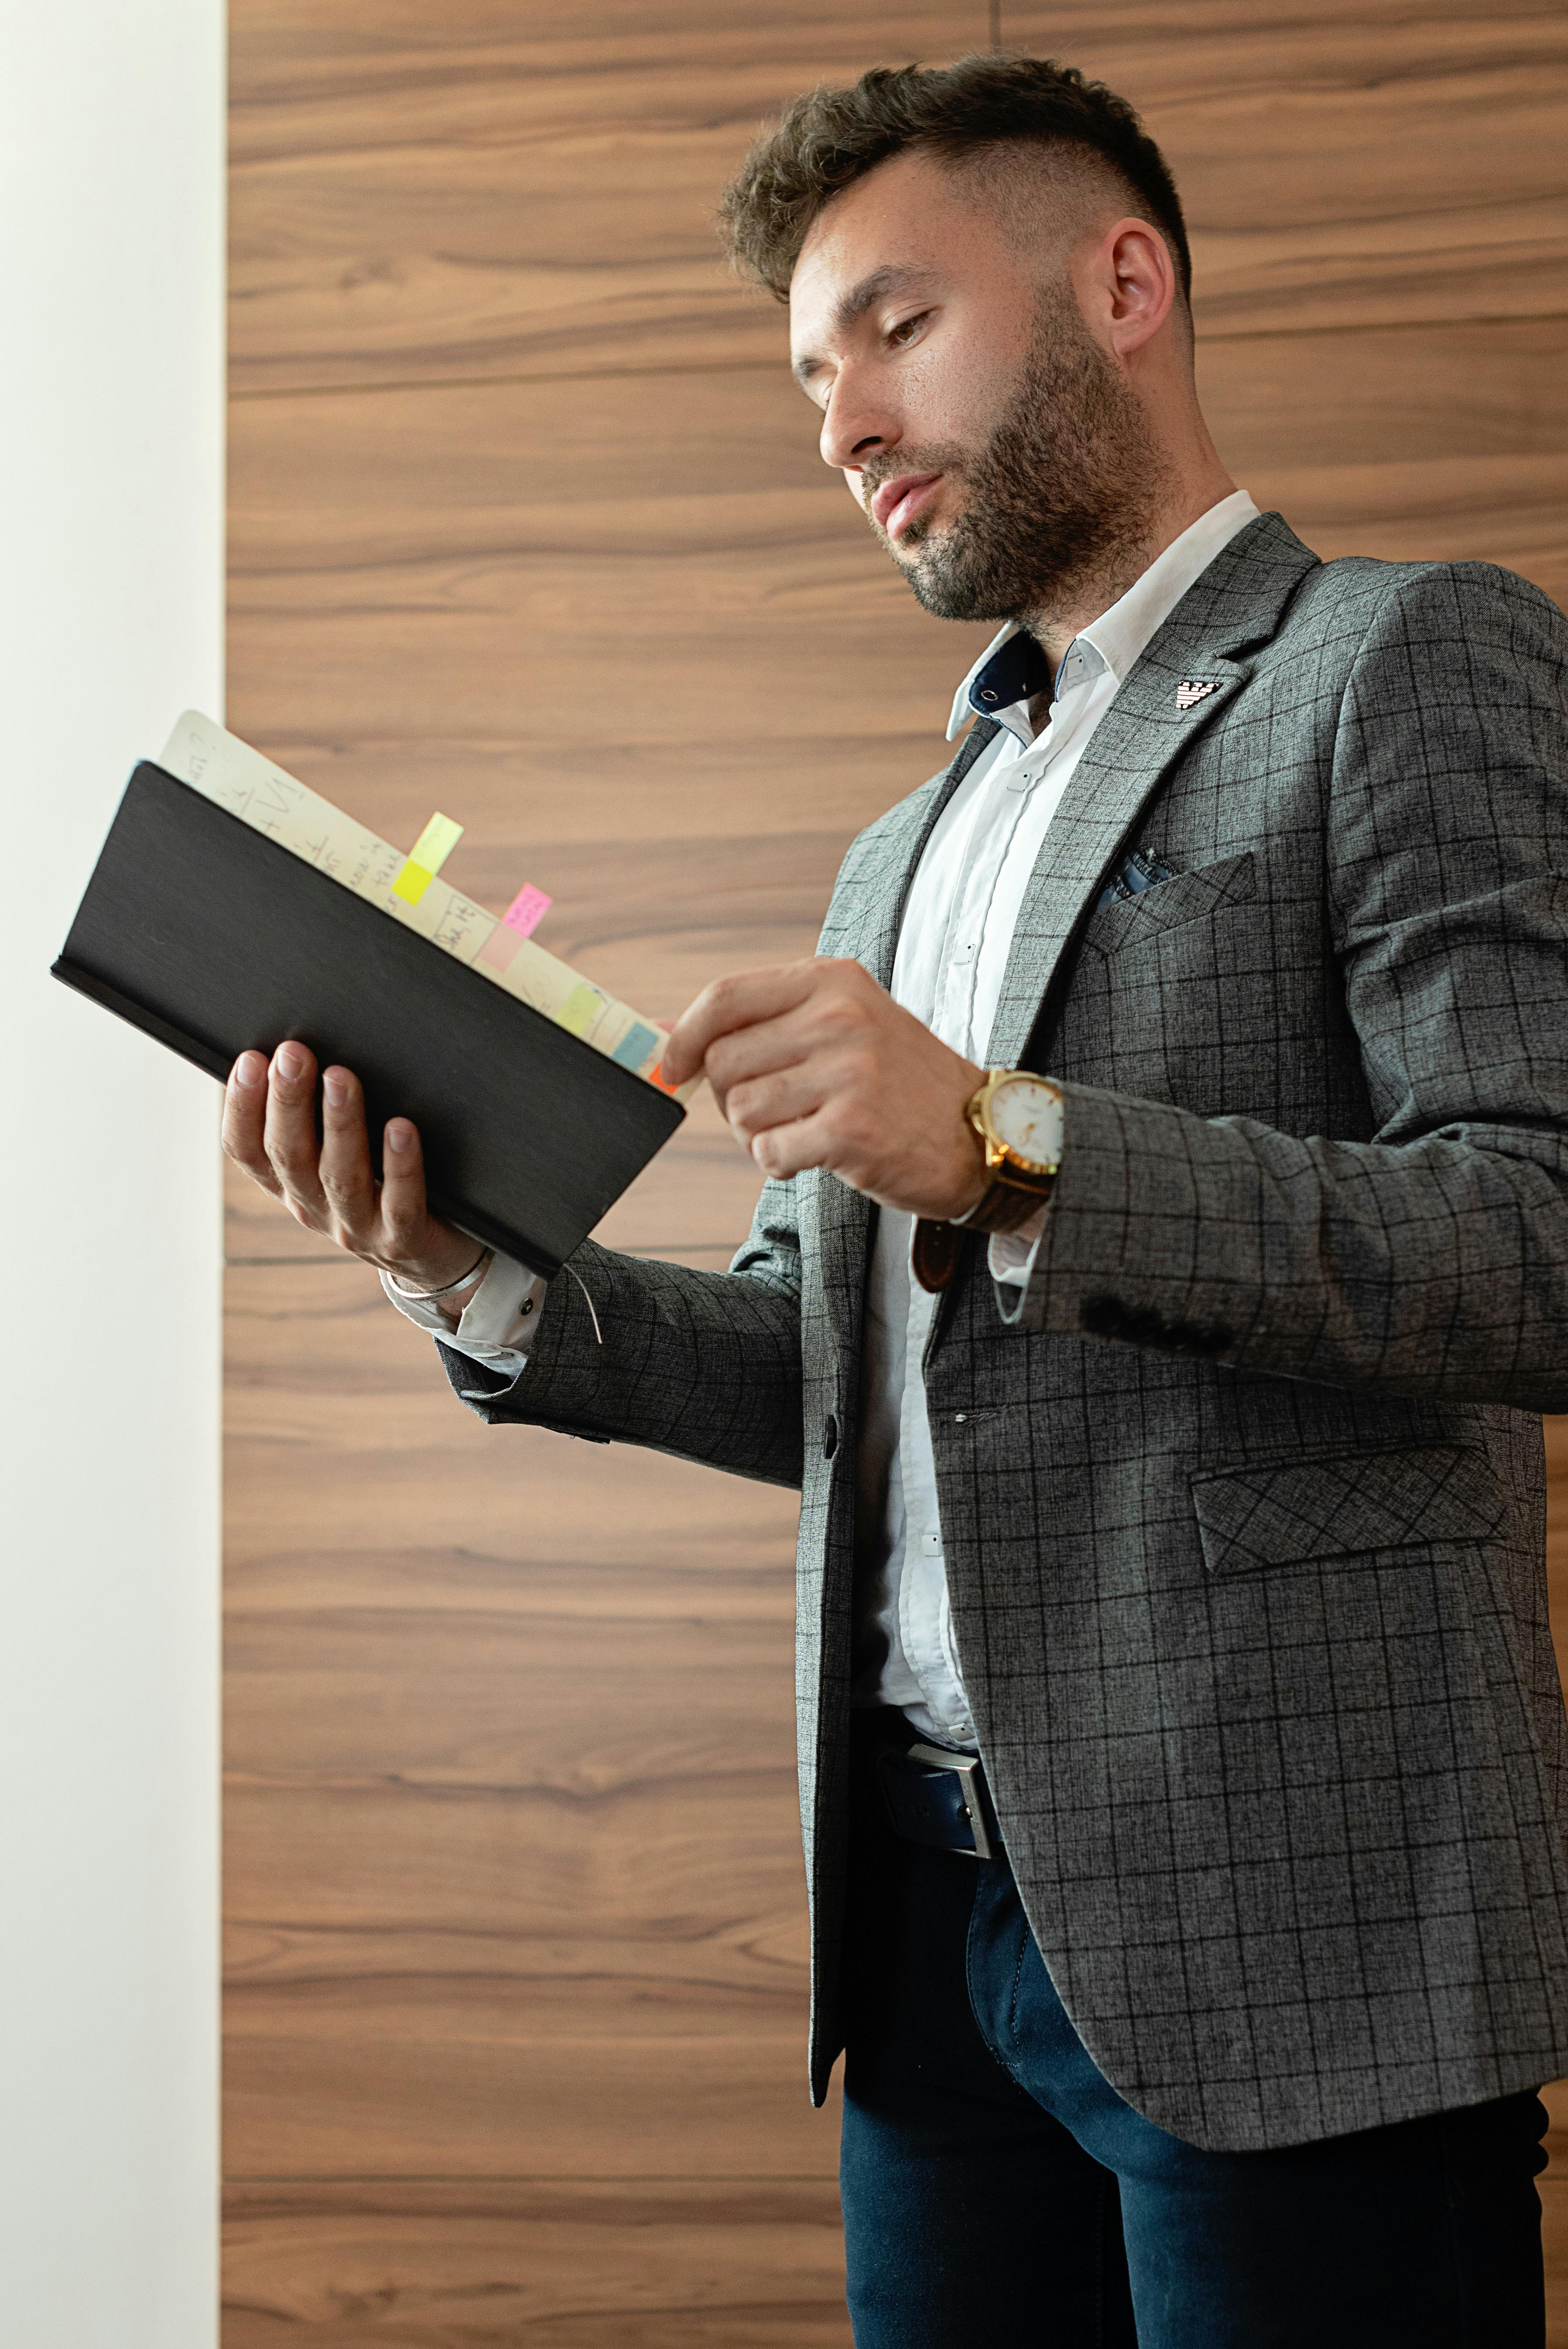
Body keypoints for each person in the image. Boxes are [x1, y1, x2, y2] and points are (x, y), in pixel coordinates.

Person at [221, 52, 1568, 2349]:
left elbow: (1535, 1243)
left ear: (1119, 282)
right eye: (808, 373)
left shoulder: (1398, 663)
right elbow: (826, 1379)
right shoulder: (901, 848)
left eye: (892, 325)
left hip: (1296, 1945)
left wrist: (1011, 1145)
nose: (840, 415)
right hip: (926, 1960)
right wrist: (467, 1260)